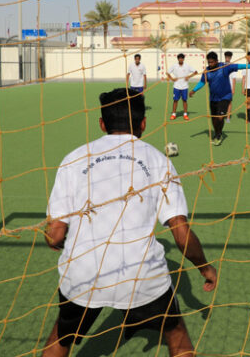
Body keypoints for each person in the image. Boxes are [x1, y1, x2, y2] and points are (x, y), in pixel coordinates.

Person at [42, 88, 217, 357]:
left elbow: (54, 235)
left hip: (83, 274)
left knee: (61, 338)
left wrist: (58, 238)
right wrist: (205, 267)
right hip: (142, 274)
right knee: (176, 334)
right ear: (143, 124)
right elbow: (181, 235)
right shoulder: (159, 161)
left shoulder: (73, 159)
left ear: (102, 124)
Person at [189, 51, 250, 145]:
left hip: (225, 96)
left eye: (212, 62)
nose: (211, 64)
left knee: (220, 117)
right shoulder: (207, 71)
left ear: (217, 61)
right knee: (214, 119)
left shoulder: (224, 67)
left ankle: (218, 135)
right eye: (209, 62)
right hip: (213, 98)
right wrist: (194, 90)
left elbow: (239, 66)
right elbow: (202, 82)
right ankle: (217, 132)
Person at [166, 53, 198, 120]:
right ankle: (174, 114)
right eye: (179, 58)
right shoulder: (174, 66)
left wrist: (188, 77)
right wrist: (172, 79)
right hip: (176, 87)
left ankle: (185, 114)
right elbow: (167, 72)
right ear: (178, 59)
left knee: (184, 100)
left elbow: (196, 72)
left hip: (185, 87)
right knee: (175, 100)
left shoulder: (187, 66)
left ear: (183, 59)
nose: (181, 59)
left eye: (182, 58)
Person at [223, 51, 238, 122]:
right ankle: (222, 115)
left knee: (229, 102)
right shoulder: (222, 65)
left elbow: (234, 79)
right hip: (222, 87)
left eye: (228, 57)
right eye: (226, 57)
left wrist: (233, 89)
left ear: (231, 58)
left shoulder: (232, 66)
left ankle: (228, 117)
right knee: (222, 102)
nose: (227, 59)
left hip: (230, 88)